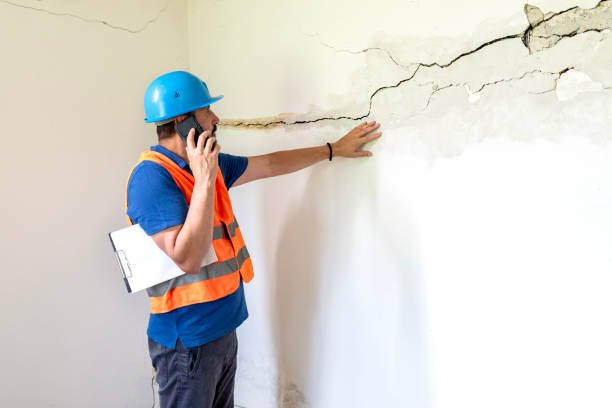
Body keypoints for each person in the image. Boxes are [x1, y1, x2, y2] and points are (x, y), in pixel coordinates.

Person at [125, 70, 382, 408]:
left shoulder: (208, 166)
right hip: (187, 344)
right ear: (184, 122)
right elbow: (186, 258)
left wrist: (333, 149)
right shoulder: (152, 178)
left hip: (222, 329)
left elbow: (272, 164)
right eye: (207, 112)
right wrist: (203, 179)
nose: (216, 119)